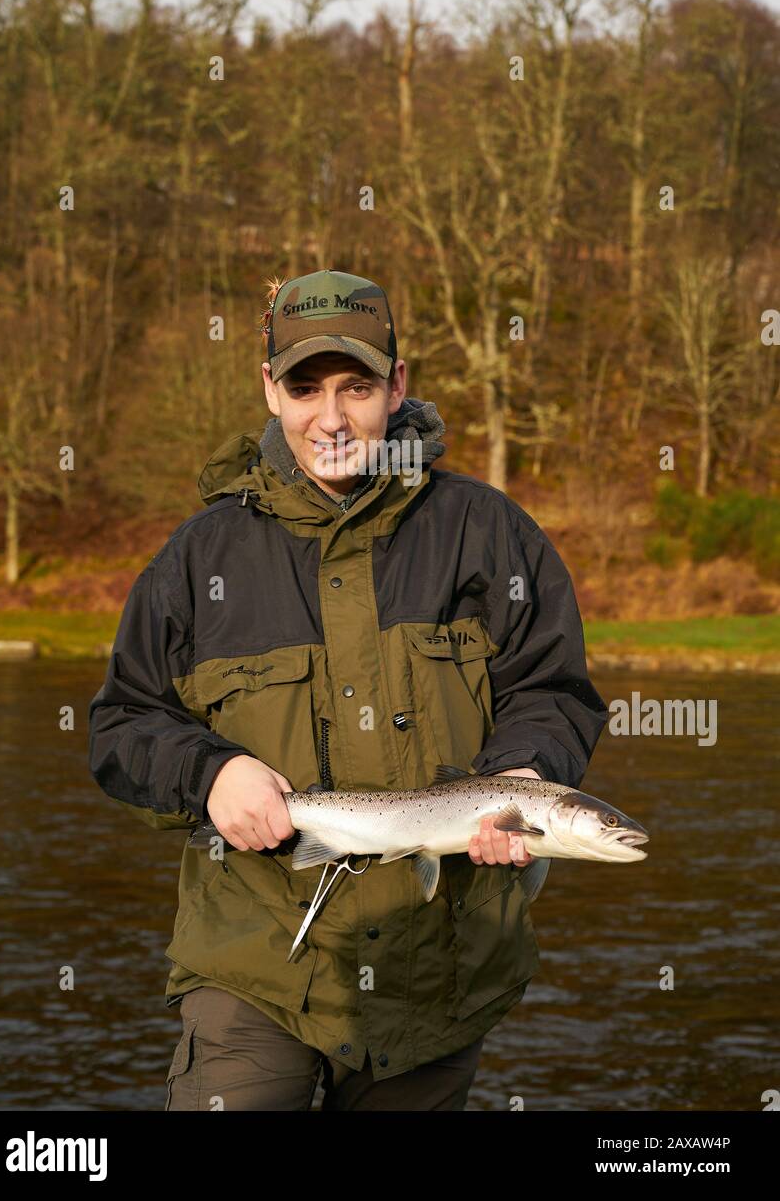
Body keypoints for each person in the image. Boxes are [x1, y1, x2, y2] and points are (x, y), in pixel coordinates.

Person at [88, 268, 608, 1111]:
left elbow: (552, 689)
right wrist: (209, 772)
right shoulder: (196, 561)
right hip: (254, 968)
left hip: (440, 979)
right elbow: (120, 727)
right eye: (305, 388)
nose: (331, 418)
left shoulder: (490, 534)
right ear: (268, 388)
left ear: (397, 385)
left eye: (357, 386)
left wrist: (523, 769)